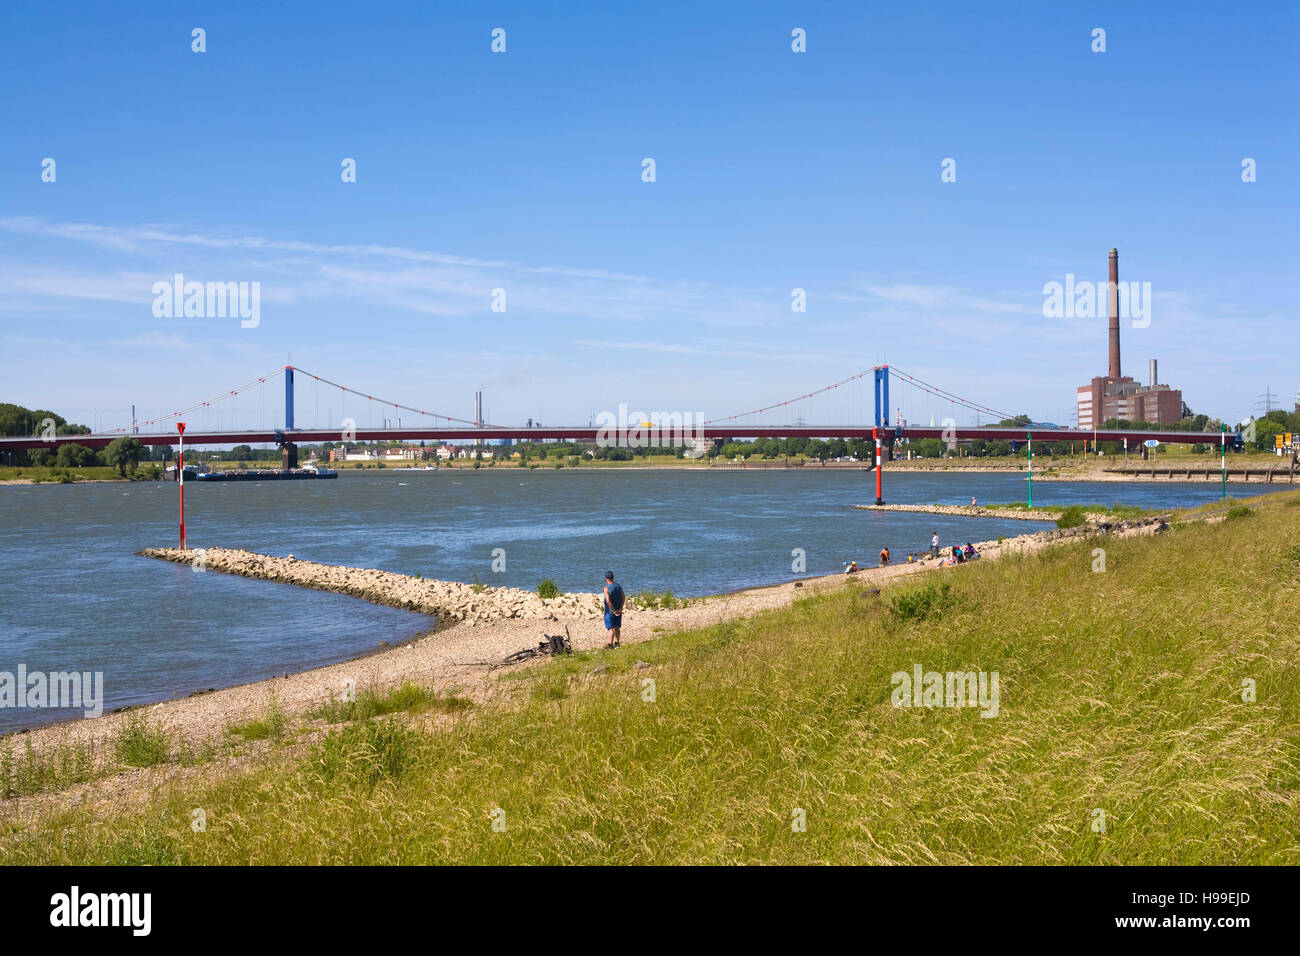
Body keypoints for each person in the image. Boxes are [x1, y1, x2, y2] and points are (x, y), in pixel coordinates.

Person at [602, 571, 624, 648]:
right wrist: (620, 608)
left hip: (610, 611)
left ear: (606, 578)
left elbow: (608, 600)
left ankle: (610, 645)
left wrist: (613, 610)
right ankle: (617, 643)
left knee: (610, 628)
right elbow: (623, 596)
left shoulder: (606, 588)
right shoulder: (618, 586)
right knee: (617, 627)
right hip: (618, 609)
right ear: (613, 577)